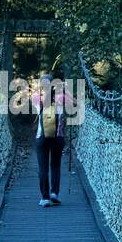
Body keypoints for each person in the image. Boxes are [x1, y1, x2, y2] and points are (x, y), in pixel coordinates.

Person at [31, 71, 71, 207]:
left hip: (41, 137)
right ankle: (54, 193)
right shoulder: (61, 98)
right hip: (57, 137)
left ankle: (45, 197)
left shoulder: (36, 97)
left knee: (43, 168)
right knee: (55, 165)